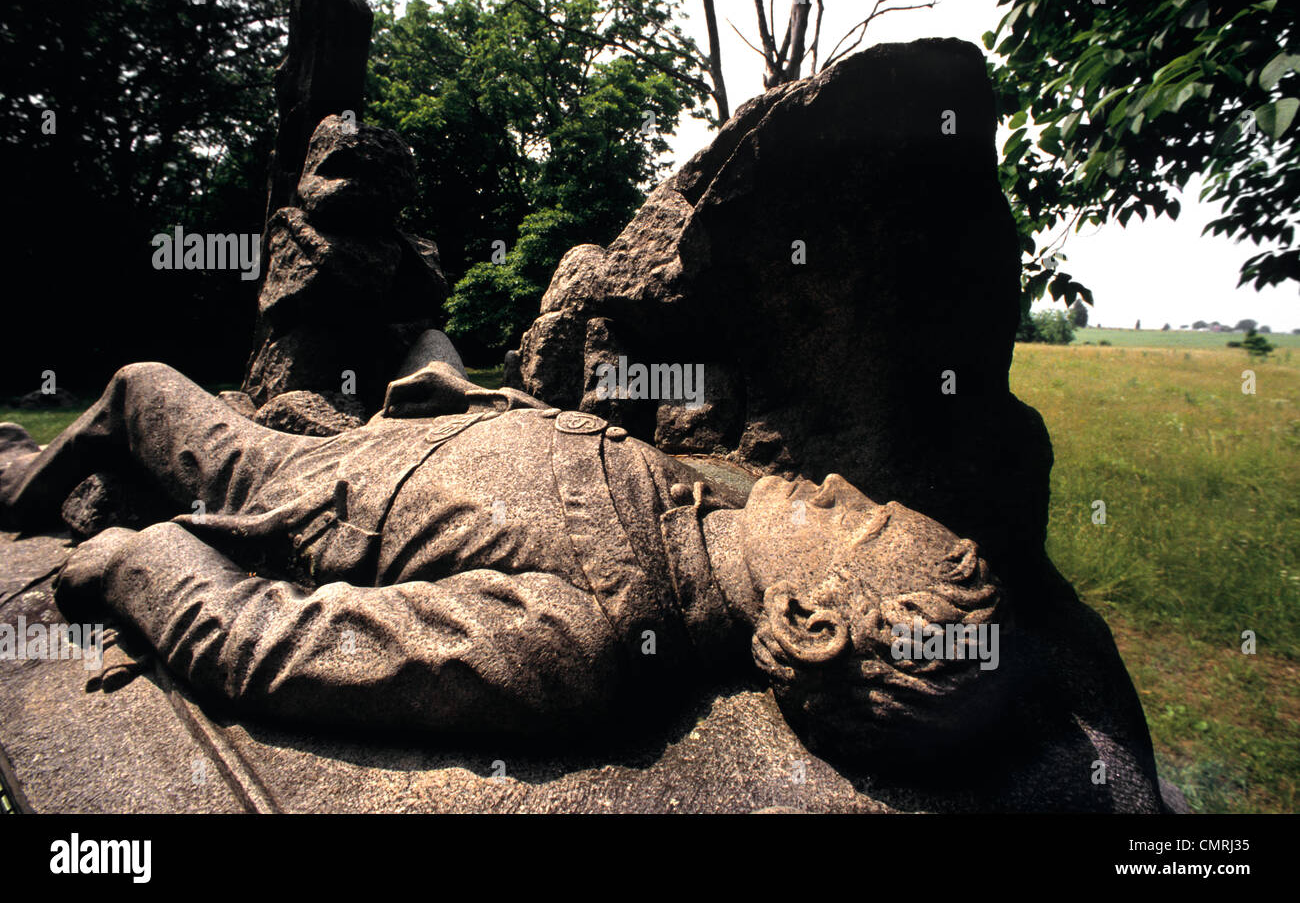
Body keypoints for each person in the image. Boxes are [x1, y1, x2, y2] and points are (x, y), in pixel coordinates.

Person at [0, 361, 1010, 758]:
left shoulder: (573, 643)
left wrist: (139, 568)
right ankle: (25, 483)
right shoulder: (701, 502)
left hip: (297, 498)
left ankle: (32, 498)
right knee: (133, 393)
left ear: (812, 621)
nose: (839, 489)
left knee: (138, 392)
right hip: (349, 438)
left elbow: (283, 641)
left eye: (860, 522)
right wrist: (472, 394)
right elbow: (554, 446)